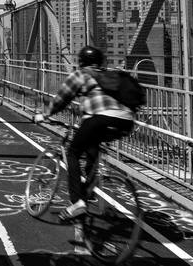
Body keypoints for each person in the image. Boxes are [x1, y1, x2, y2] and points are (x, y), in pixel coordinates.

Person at [35, 45, 134, 222]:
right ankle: (89, 188)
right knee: (92, 146)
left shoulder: (81, 74)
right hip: (125, 120)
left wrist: (45, 114)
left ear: (81, 62)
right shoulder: (111, 75)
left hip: (98, 118)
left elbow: (61, 99)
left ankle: (77, 202)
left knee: (73, 152)